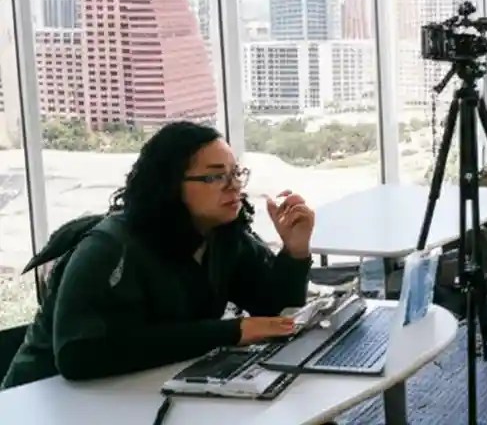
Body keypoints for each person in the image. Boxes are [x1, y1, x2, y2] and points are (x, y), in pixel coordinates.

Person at [2, 122, 314, 388]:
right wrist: (231, 332)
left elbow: (277, 314)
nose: (233, 187)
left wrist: (295, 251)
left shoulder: (222, 234)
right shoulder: (110, 246)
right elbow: (79, 354)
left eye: (236, 174)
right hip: (40, 402)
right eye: (215, 177)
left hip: (134, 391)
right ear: (170, 185)